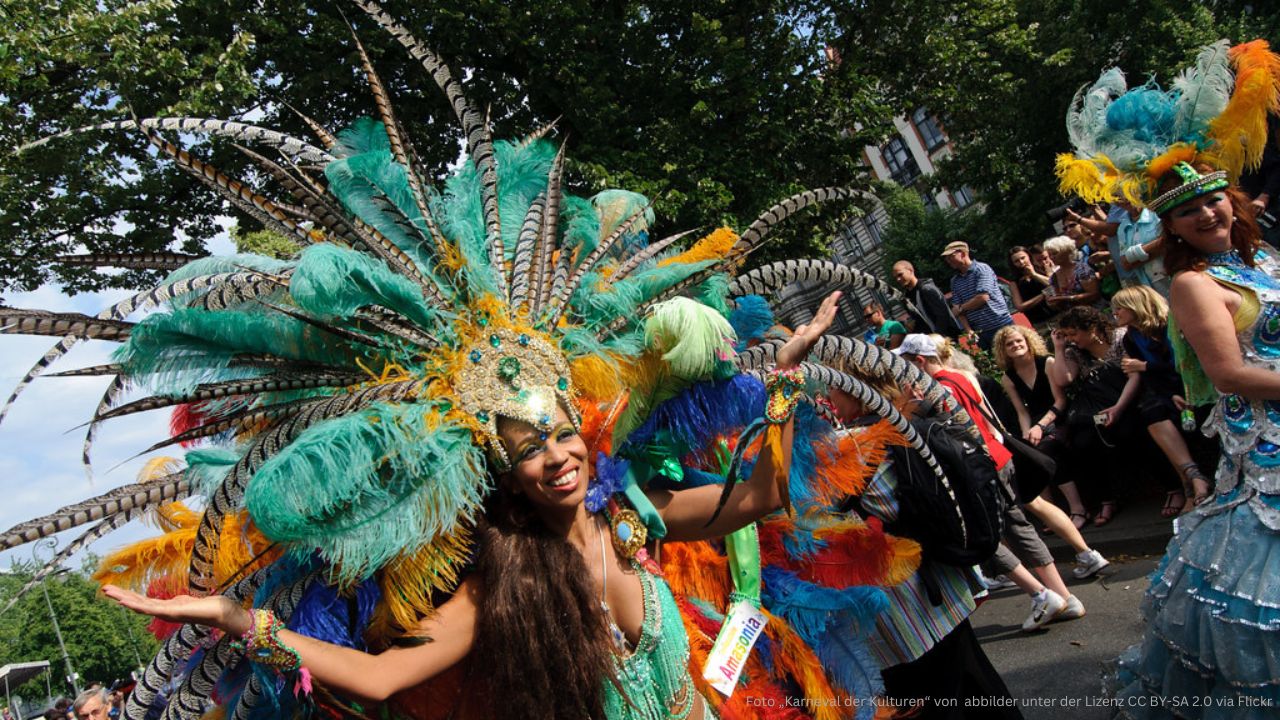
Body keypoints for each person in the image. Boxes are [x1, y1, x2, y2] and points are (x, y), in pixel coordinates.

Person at [1055, 39, 1280, 714]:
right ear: (1173, 225)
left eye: (1215, 201)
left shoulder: (1265, 258)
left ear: (1233, 201)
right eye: (1190, 210)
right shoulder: (1190, 282)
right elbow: (1231, 373)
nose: (1209, 214)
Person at [822, 357, 1023, 718]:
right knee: (978, 688)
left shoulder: (851, 447)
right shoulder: (906, 425)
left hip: (905, 603)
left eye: (833, 386)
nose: (828, 394)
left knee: (939, 701)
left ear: (854, 389)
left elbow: (877, 511)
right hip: (944, 584)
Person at [894, 334, 1086, 631]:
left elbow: (947, 437)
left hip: (977, 469)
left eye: (907, 363)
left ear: (919, 361)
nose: (905, 371)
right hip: (998, 456)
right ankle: (1063, 594)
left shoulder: (939, 389)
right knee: (1020, 526)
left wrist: (912, 408)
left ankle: (1041, 595)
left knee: (983, 536)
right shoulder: (963, 376)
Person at [1111, 286, 1215, 517]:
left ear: (1135, 306)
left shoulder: (1171, 326)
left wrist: (1145, 366)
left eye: (1119, 307)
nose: (1115, 313)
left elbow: (1186, 364)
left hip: (1198, 386)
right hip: (1170, 392)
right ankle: (1193, 479)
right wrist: (1171, 394)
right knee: (1151, 413)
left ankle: (1193, 484)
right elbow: (1152, 381)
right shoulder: (1131, 339)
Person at [991, 326, 1088, 528]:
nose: (1015, 345)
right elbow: (1022, 412)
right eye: (1009, 343)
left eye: (1019, 341)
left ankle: (1078, 509)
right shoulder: (1008, 377)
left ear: (1028, 342)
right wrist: (1026, 433)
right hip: (1035, 422)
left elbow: (1060, 401)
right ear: (1003, 349)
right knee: (1027, 453)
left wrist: (1039, 427)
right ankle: (1051, 513)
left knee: (1047, 448)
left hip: (1059, 417)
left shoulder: (1047, 363)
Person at [941, 241, 1014, 349]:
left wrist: (961, 308)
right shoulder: (955, 281)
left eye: (950, 256)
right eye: (946, 258)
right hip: (980, 332)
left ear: (963, 254)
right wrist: (968, 330)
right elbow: (957, 310)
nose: (948, 260)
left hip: (1000, 325)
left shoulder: (981, 269)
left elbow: (982, 298)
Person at [891, 259, 964, 338]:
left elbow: (942, 314)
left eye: (900, 274)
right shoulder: (906, 297)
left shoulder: (926, 289)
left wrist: (936, 336)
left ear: (910, 270)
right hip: (930, 342)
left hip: (949, 339)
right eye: (895, 278)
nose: (898, 279)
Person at [1042, 235, 1104, 310]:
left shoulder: (1082, 269)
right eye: (1050, 255)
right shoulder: (1054, 277)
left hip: (1095, 310)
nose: (1052, 257)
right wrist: (1052, 302)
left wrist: (1068, 298)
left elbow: (1094, 294)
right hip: (1074, 316)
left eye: (1055, 253)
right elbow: (1055, 301)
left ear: (1066, 251)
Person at [1006, 246, 1054, 324]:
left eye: (1023, 258)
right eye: (1017, 261)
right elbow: (1020, 307)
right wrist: (1043, 295)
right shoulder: (1015, 283)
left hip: (1057, 313)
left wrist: (1034, 274)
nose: (1021, 262)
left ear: (1028, 256)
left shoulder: (1043, 268)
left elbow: (1053, 284)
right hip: (1039, 322)